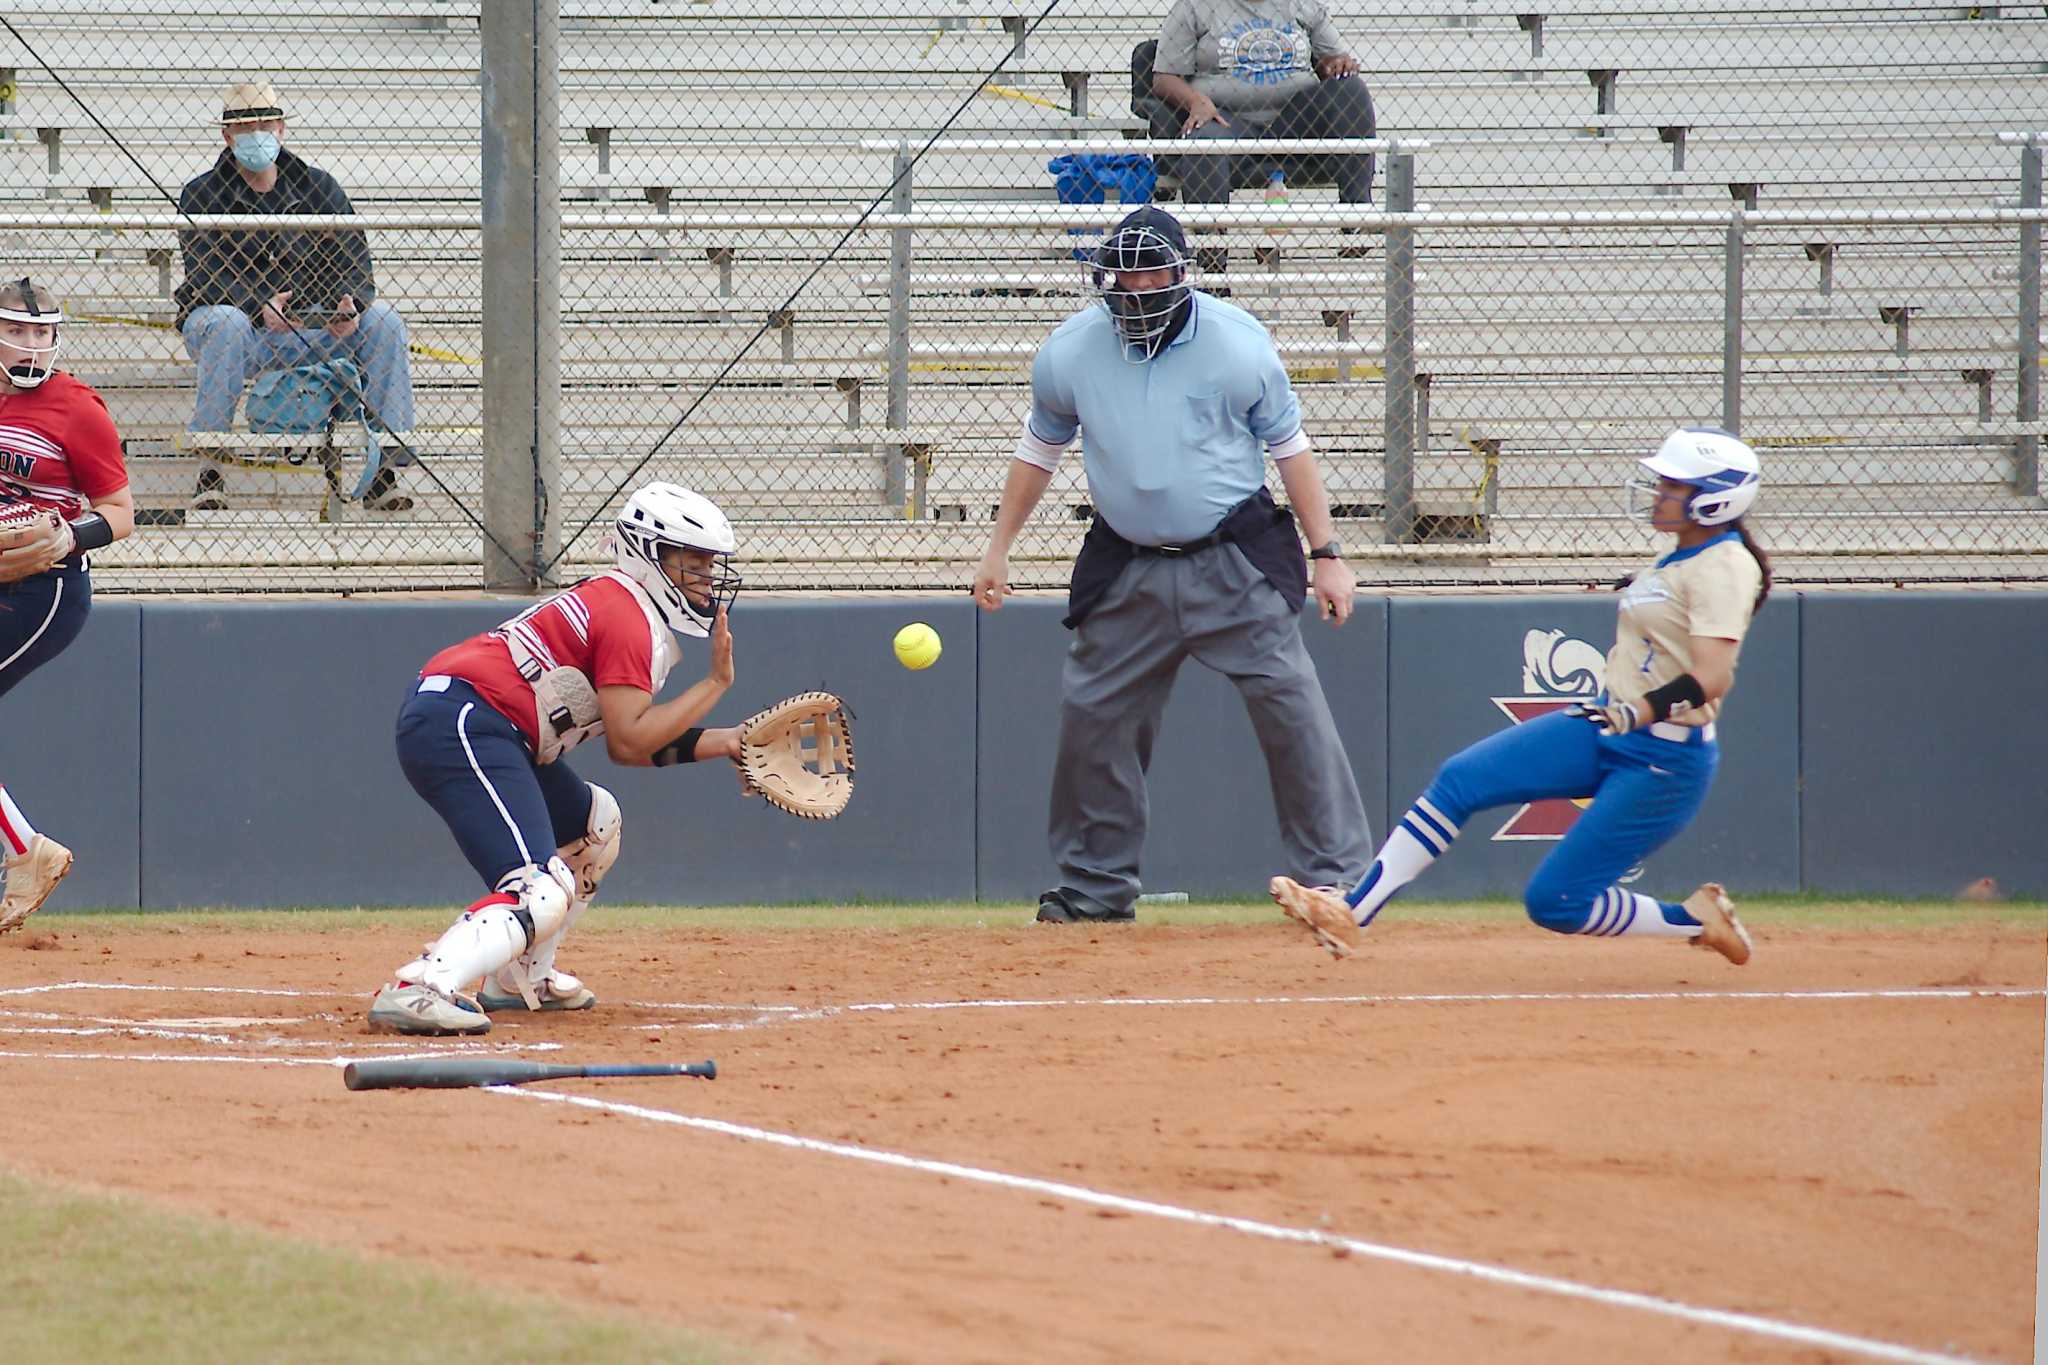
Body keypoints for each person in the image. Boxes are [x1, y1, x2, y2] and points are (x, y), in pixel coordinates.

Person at [972, 205, 1372, 925]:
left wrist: (1329, 557)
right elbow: (1040, 450)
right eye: (1122, 273)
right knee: (1093, 715)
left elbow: (1291, 451)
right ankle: (1096, 887)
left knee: (1292, 707)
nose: (1137, 287)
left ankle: (1338, 882)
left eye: (1152, 270)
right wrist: (997, 549)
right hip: (1126, 564)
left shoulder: (1237, 345)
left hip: (1233, 559)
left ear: (1184, 274)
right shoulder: (1070, 350)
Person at [1270, 426, 1773, 966]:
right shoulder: (1683, 555)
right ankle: (1354, 913)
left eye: (1673, 487)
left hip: (1665, 756)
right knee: (1461, 779)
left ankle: (1694, 921)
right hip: (1608, 725)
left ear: (1714, 500)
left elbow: (1712, 677)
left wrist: (1640, 710)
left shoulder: (1725, 564)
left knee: (1556, 902)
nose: (1658, 494)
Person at [367, 483, 744, 1035]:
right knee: (538, 888)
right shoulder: (626, 614)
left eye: (709, 563)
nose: (705, 576)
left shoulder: (625, 607)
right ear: (649, 555)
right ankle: (421, 985)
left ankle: (519, 978)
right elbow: (630, 741)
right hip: (467, 719)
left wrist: (729, 741)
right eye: (692, 560)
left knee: (595, 824)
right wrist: (715, 684)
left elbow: (633, 737)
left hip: (484, 722)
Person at [173, 80, 414, 510]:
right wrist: (258, 306)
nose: (257, 134)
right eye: (246, 128)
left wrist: (350, 304)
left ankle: (384, 469)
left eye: (265, 124)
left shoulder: (319, 188)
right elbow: (205, 274)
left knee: (385, 322)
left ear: (282, 129)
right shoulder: (201, 192)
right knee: (225, 322)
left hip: (315, 324)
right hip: (243, 332)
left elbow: (354, 257)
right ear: (227, 137)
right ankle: (210, 470)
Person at [0, 279, 135, 933]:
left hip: (44, 588)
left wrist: (65, 535)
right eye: (19, 331)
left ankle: (26, 851)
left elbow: (121, 514)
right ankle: (25, 851)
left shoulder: (77, 408)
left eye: (42, 332)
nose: (32, 344)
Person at [1148, 0, 1376, 271]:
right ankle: (1212, 259)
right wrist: (1194, 100)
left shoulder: (1302, 4)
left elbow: (1332, 60)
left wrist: (1335, 66)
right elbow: (1163, 78)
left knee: (1351, 90)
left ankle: (1357, 217)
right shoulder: (1195, 6)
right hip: (1227, 120)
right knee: (1203, 139)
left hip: (1295, 122)